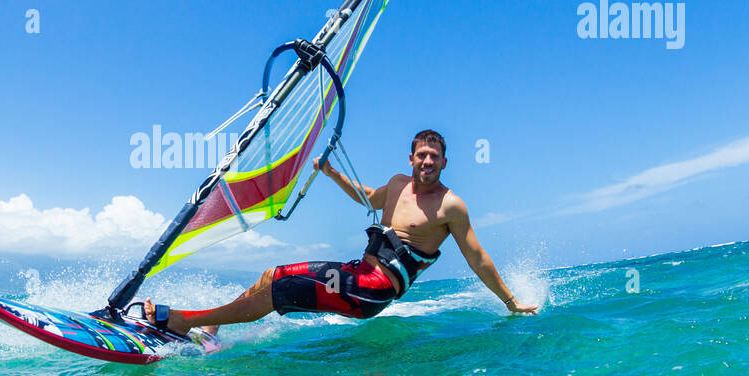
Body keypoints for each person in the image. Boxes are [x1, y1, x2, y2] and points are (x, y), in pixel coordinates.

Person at [145, 129, 538, 335]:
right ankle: (210, 328)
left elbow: (477, 256)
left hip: (372, 289)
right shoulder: (399, 183)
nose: (428, 162)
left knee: (280, 284)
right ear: (412, 158)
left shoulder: (450, 205)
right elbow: (367, 196)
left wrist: (510, 300)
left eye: (435, 157)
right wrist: (332, 174)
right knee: (270, 275)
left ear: (445, 162)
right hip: (354, 274)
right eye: (422, 155)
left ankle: (186, 321)